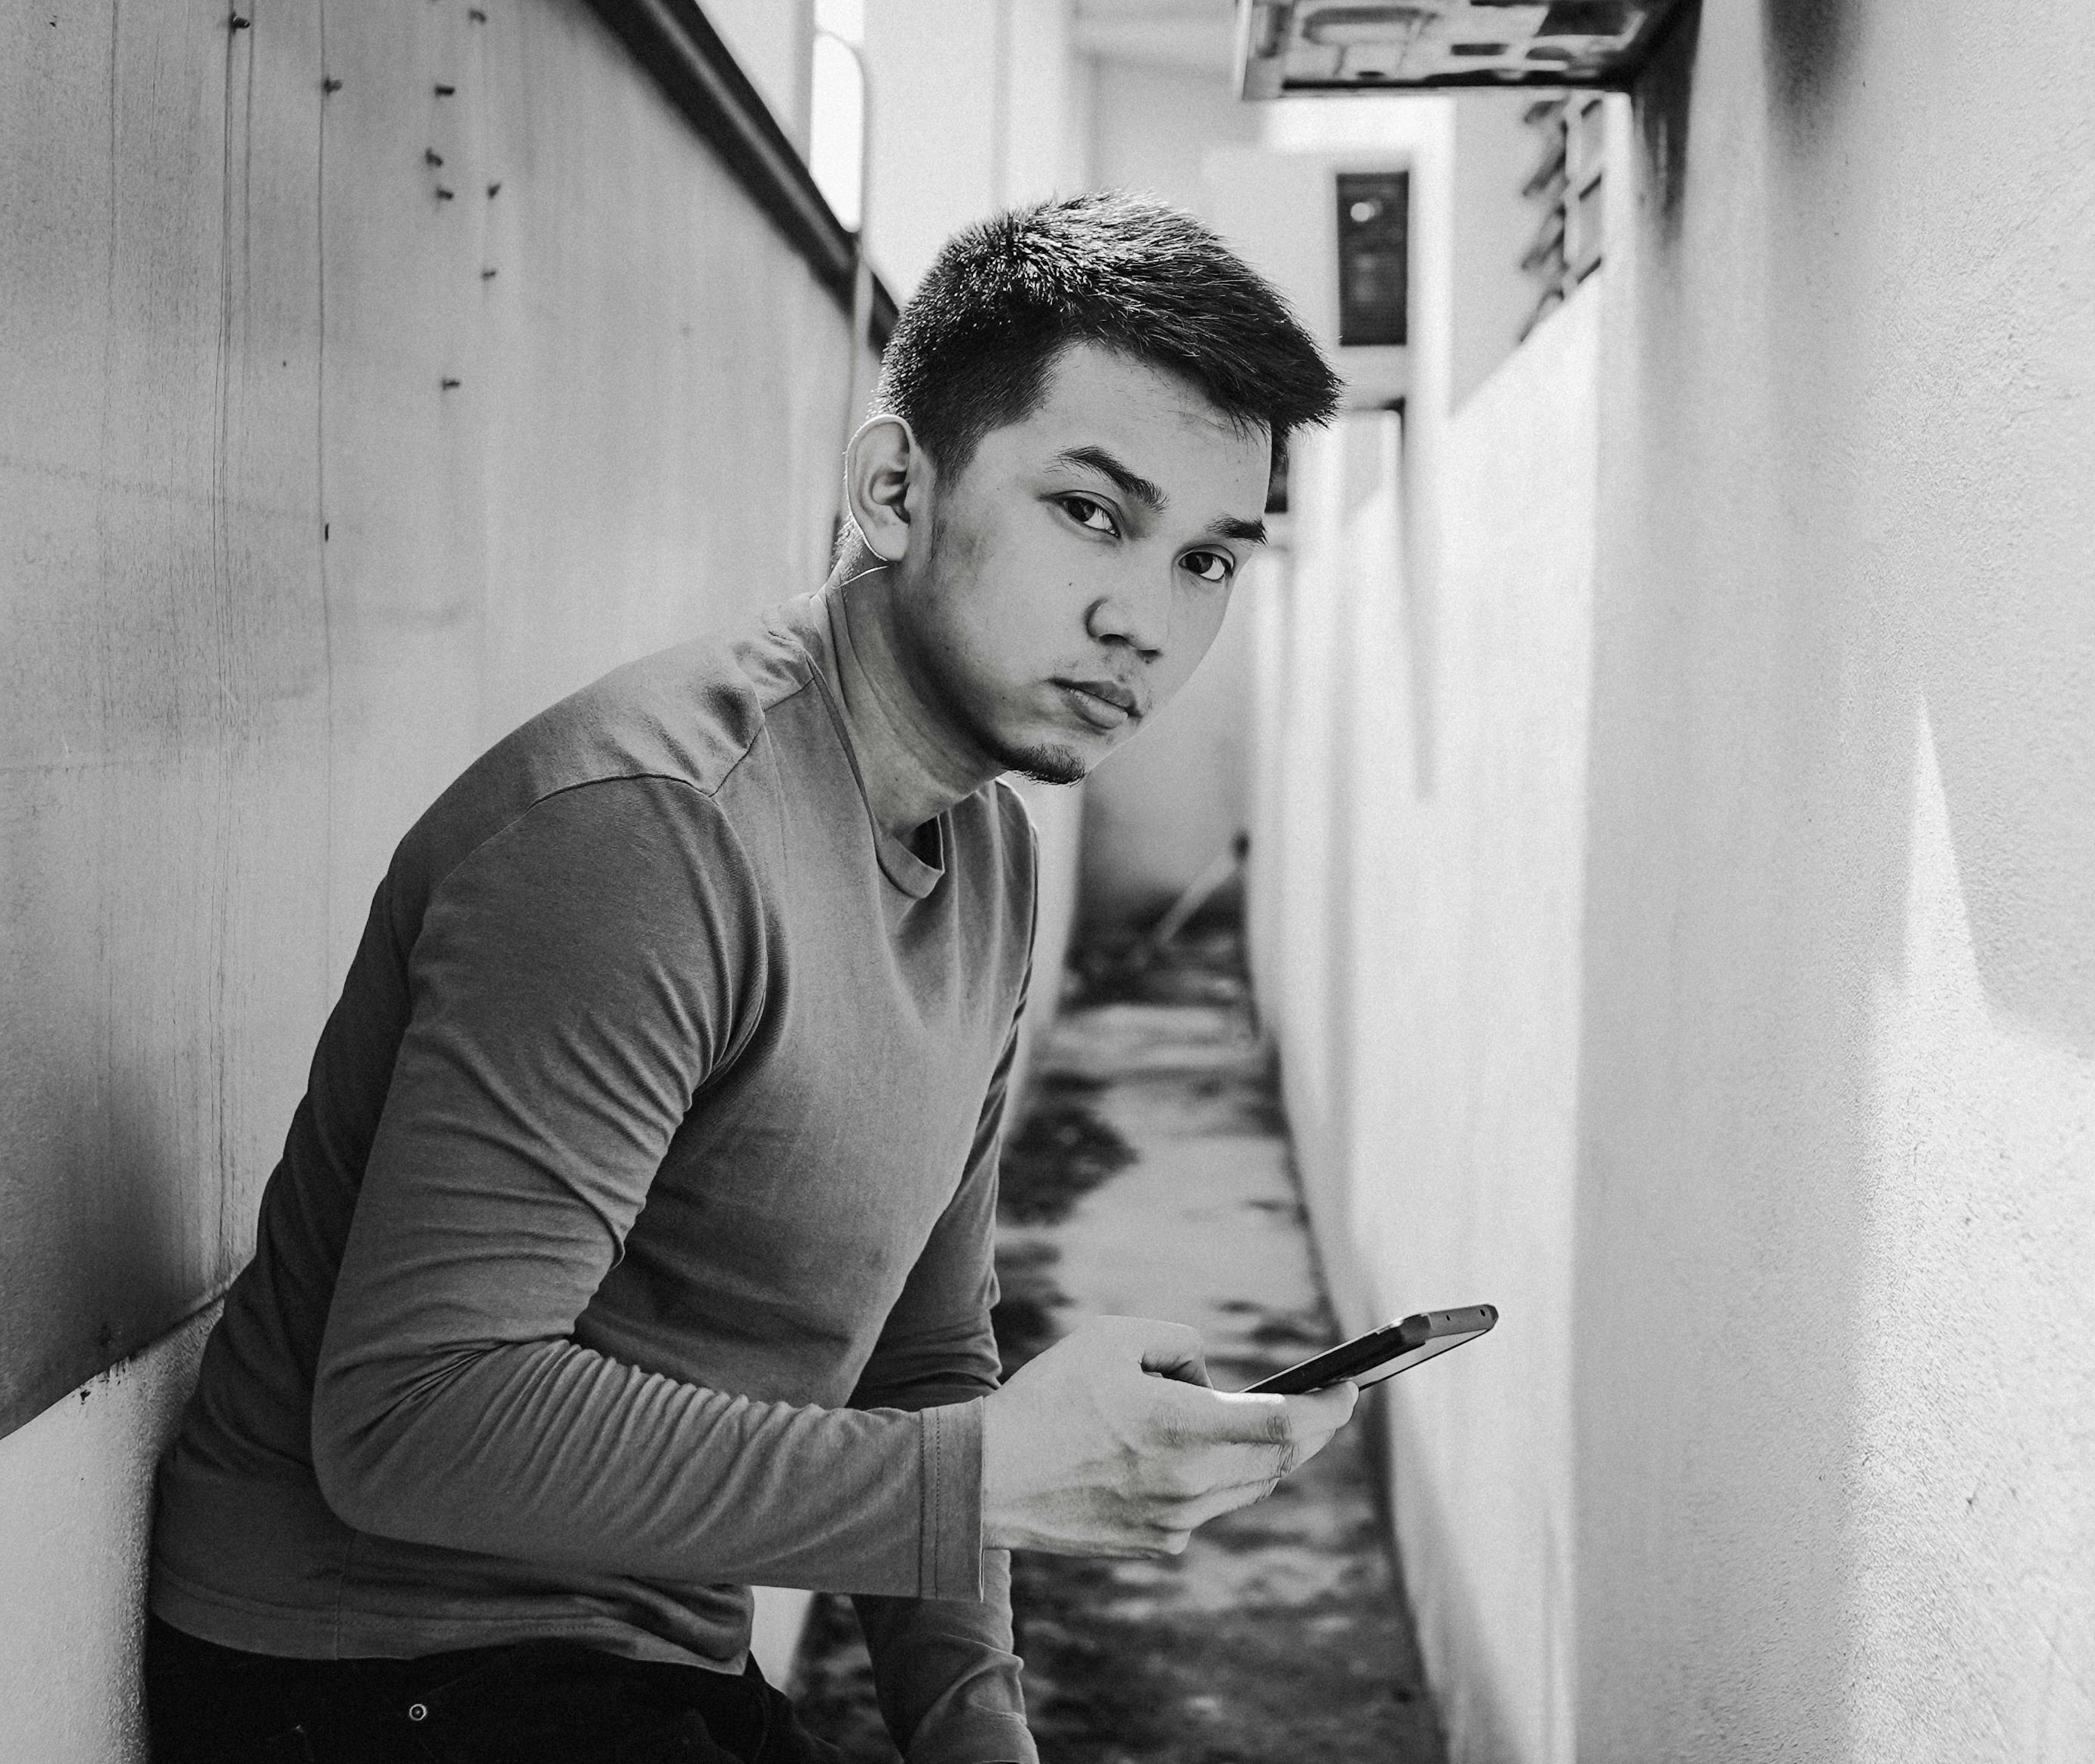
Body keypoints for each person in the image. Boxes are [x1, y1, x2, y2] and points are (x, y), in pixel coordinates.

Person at [142, 191, 1354, 1764]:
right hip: (364, 1666)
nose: (1146, 622)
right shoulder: (653, 836)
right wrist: (983, 1477)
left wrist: (974, 1723)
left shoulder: (988, 857)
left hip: (641, 1649)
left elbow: (927, 1362)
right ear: (893, 487)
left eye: (1206, 559)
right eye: (1090, 514)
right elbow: (412, 1416)